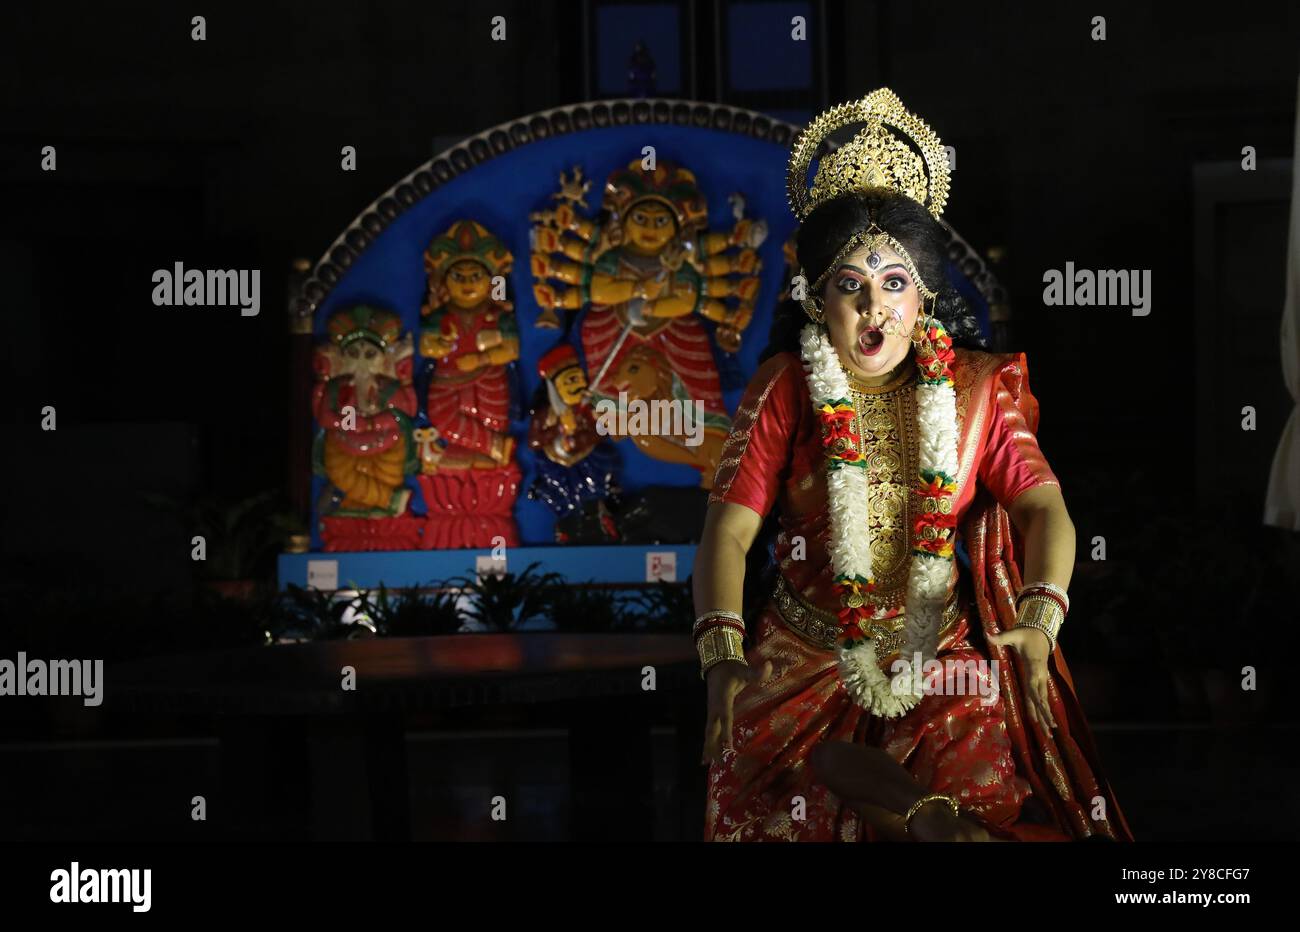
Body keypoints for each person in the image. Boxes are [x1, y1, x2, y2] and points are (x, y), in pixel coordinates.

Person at [693, 88, 1132, 842]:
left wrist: (1040, 615)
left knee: (976, 803)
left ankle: (926, 818)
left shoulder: (975, 391)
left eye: (895, 284)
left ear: (924, 296)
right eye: (850, 287)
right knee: (777, 812)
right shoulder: (787, 389)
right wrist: (722, 651)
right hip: (798, 656)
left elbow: (1041, 507)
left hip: (941, 657)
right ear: (817, 299)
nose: (874, 310)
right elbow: (728, 534)